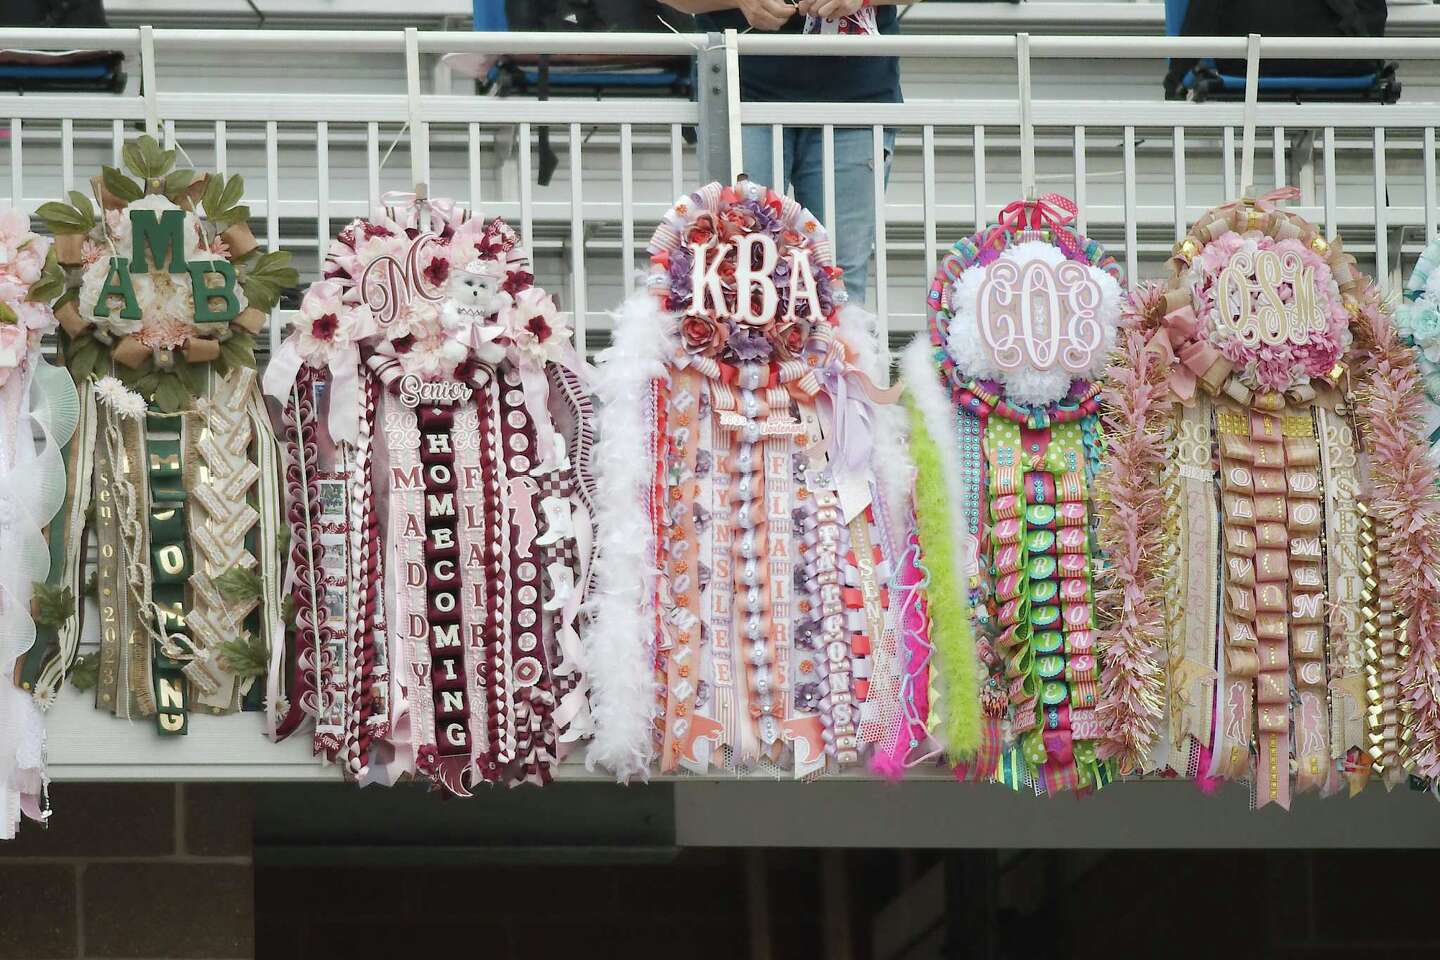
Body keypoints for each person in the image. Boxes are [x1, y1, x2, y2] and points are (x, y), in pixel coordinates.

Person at [661, 0, 917, 303]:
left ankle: (838, 349)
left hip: (856, 99)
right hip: (741, 95)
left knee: (838, 277)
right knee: (741, 273)